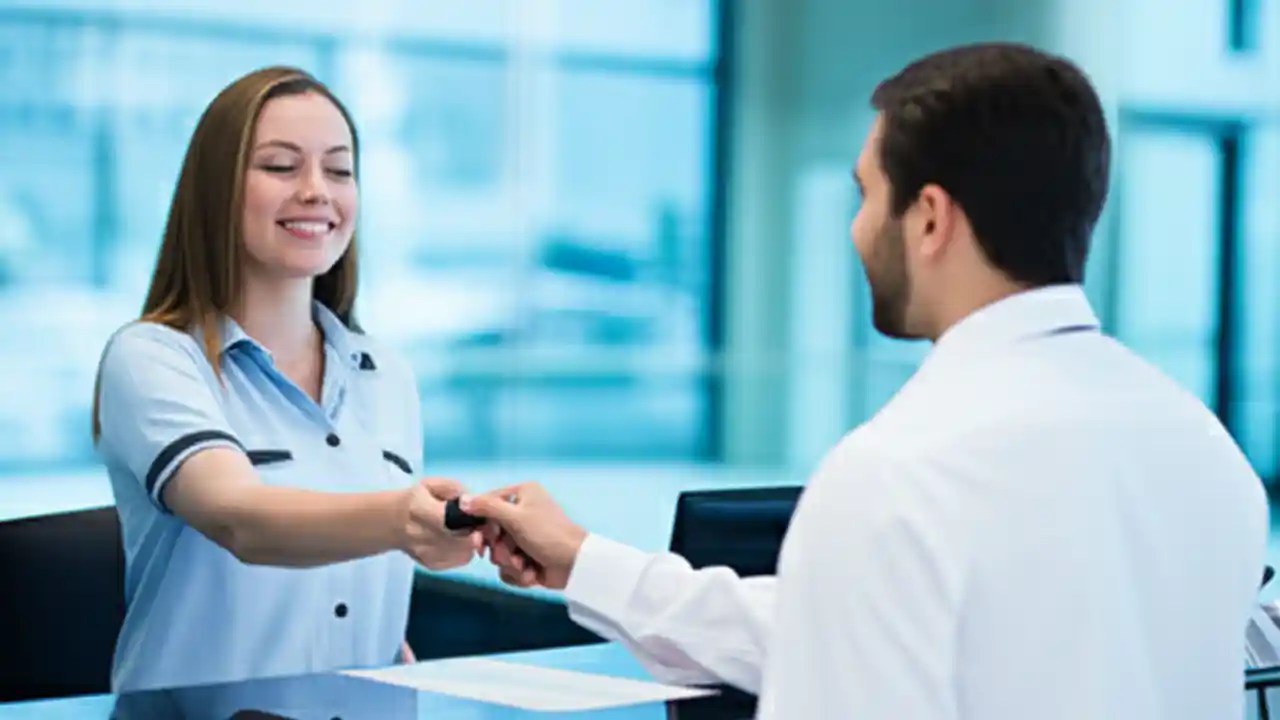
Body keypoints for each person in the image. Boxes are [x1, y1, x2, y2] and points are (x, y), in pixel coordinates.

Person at [461, 42, 1270, 719]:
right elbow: (835, 624)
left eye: (866, 195)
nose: (856, 229)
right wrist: (587, 561)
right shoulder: (1207, 455)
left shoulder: (900, 474)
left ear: (928, 218)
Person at [92, 66, 480, 693]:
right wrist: (405, 519)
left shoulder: (387, 376)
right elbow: (242, 519)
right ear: (217, 190)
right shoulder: (152, 359)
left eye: (338, 169)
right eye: (280, 166)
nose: (316, 191)